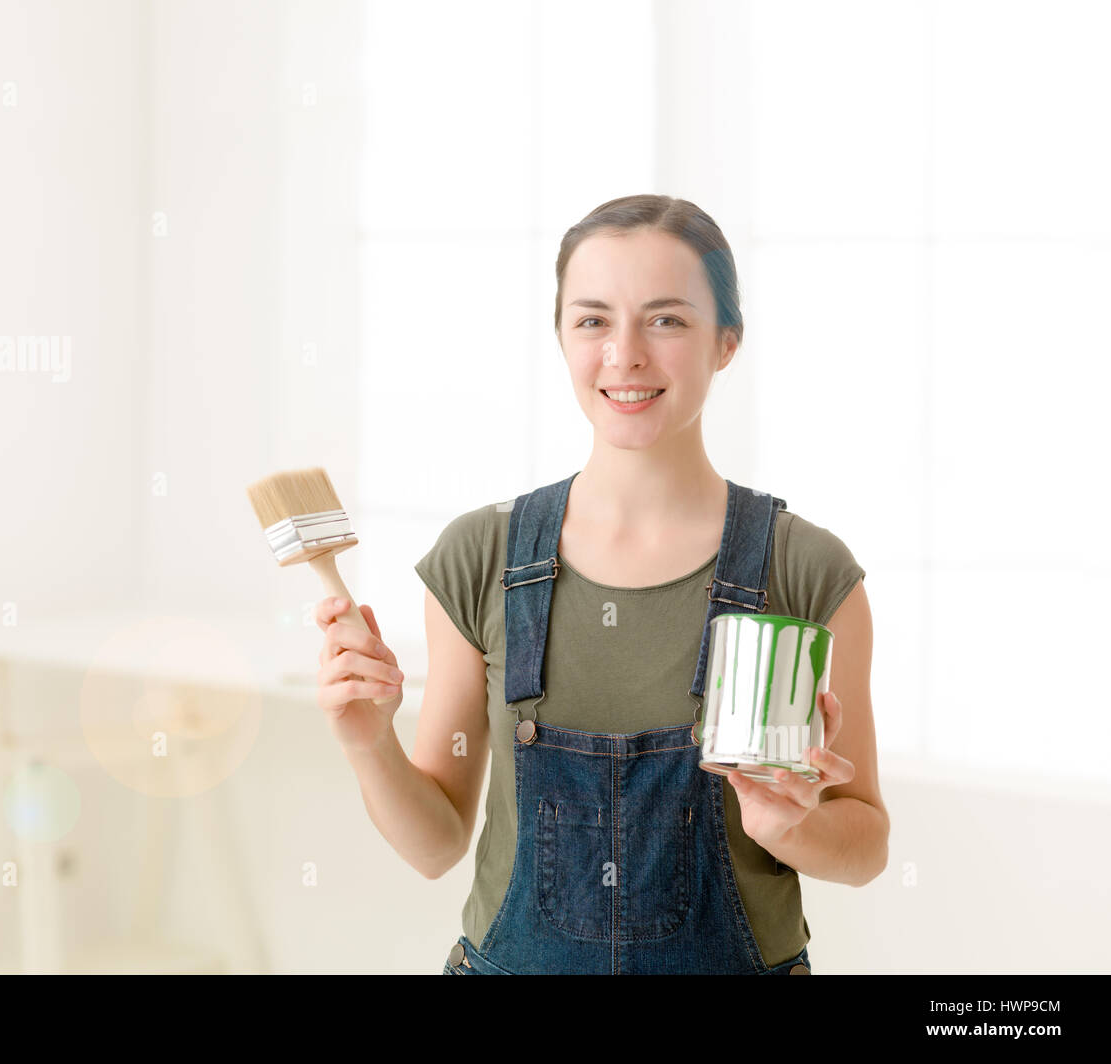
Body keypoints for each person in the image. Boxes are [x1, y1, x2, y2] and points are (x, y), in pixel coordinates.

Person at [314, 194, 887, 974]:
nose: (625, 355)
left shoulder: (806, 572)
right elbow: (437, 844)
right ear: (560, 336)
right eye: (592, 321)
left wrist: (789, 827)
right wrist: (367, 742)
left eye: (666, 320)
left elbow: (865, 845)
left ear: (727, 342)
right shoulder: (479, 557)